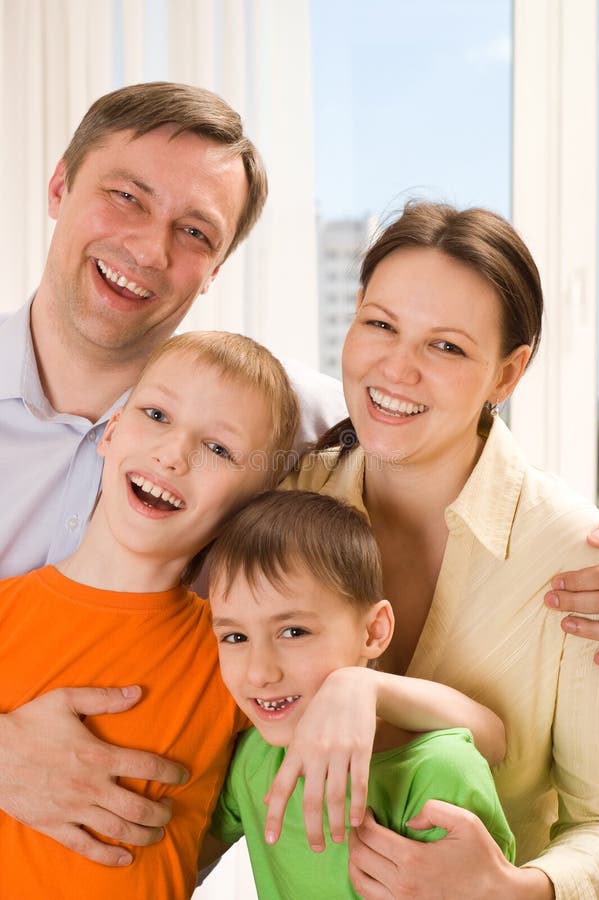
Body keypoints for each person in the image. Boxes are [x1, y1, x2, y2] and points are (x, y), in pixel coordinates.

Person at [0, 81, 346, 865]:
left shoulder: (273, 414)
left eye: (194, 232)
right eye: (126, 197)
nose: (151, 251)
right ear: (59, 186)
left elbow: (432, 428)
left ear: (216, 268)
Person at [279, 202, 599, 898]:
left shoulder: (572, 556)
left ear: (507, 375)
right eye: (381, 325)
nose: (397, 368)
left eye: (447, 346)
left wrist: (517, 887)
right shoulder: (283, 505)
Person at [0, 328, 301, 898]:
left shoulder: (233, 656)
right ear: (110, 433)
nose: (173, 454)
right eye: (157, 415)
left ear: (252, 505)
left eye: (218, 449)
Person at [199, 489, 514, 898]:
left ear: (373, 631)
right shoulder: (255, 758)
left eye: (294, 632)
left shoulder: (440, 772)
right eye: (235, 636)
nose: (259, 672)